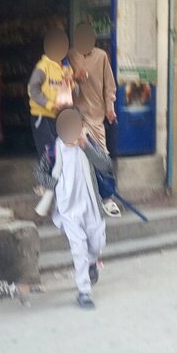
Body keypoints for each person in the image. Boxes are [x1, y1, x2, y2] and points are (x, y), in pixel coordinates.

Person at [49, 107, 114, 310]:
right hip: (68, 208)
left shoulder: (89, 142)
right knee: (78, 248)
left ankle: (92, 262)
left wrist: (87, 146)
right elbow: (42, 172)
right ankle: (84, 291)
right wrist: (48, 186)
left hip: (90, 204)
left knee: (96, 243)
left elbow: (106, 165)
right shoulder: (54, 149)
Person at [68, 22, 120, 217]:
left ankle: (107, 198)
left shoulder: (101, 56)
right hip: (76, 116)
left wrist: (110, 107)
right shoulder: (70, 56)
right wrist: (75, 77)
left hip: (96, 116)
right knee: (75, 157)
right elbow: (63, 81)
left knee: (102, 157)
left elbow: (109, 86)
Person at [27, 29, 75, 167]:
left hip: (60, 117)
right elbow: (32, 90)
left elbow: (74, 90)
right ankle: (46, 179)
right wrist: (50, 104)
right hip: (42, 116)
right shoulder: (43, 67)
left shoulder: (66, 68)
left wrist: (71, 82)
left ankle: (56, 180)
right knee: (48, 154)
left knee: (60, 153)